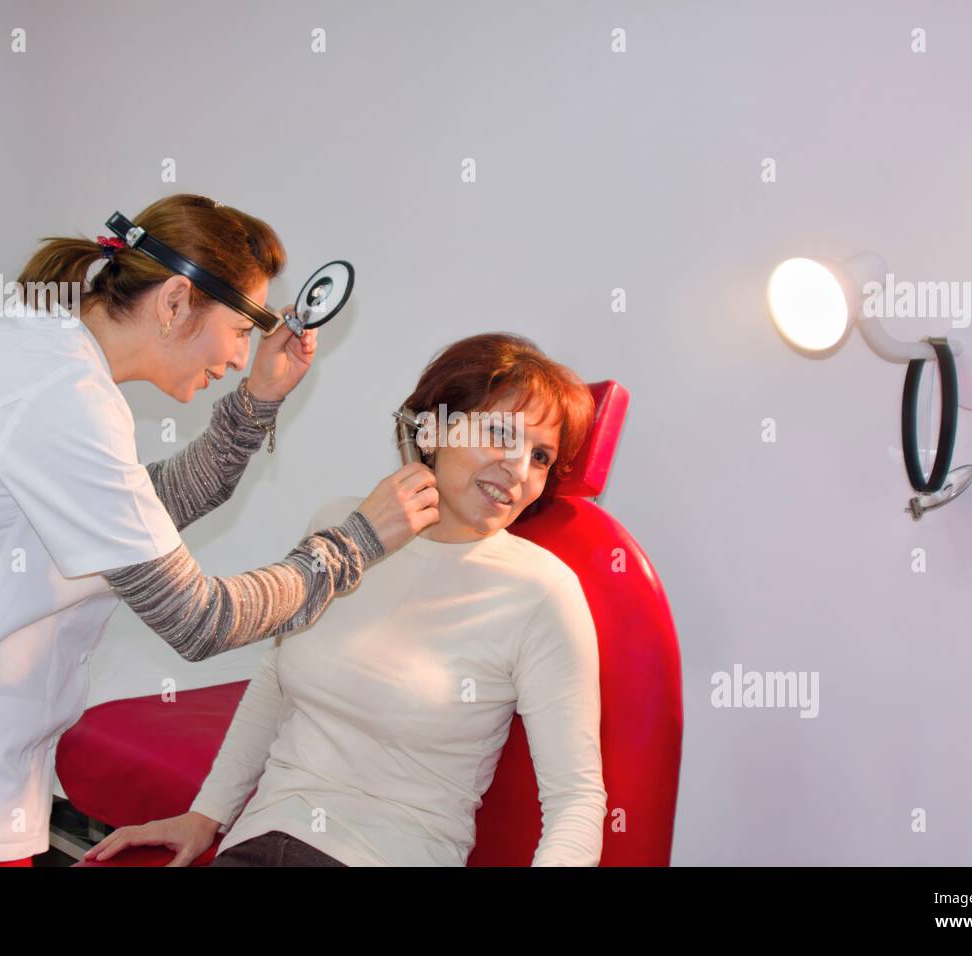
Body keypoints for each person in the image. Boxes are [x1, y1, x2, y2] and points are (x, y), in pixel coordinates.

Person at [0, 194, 437, 866]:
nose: (237, 358)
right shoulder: (62, 397)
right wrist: (354, 545)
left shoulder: (47, 352)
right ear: (175, 302)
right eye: (240, 331)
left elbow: (151, 503)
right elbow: (201, 620)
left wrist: (259, 400)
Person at [84, 333, 606, 867]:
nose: (518, 472)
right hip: (260, 840)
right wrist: (207, 813)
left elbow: (577, 800)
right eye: (500, 432)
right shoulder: (342, 527)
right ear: (430, 428)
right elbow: (275, 681)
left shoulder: (541, 591)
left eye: (541, 456)